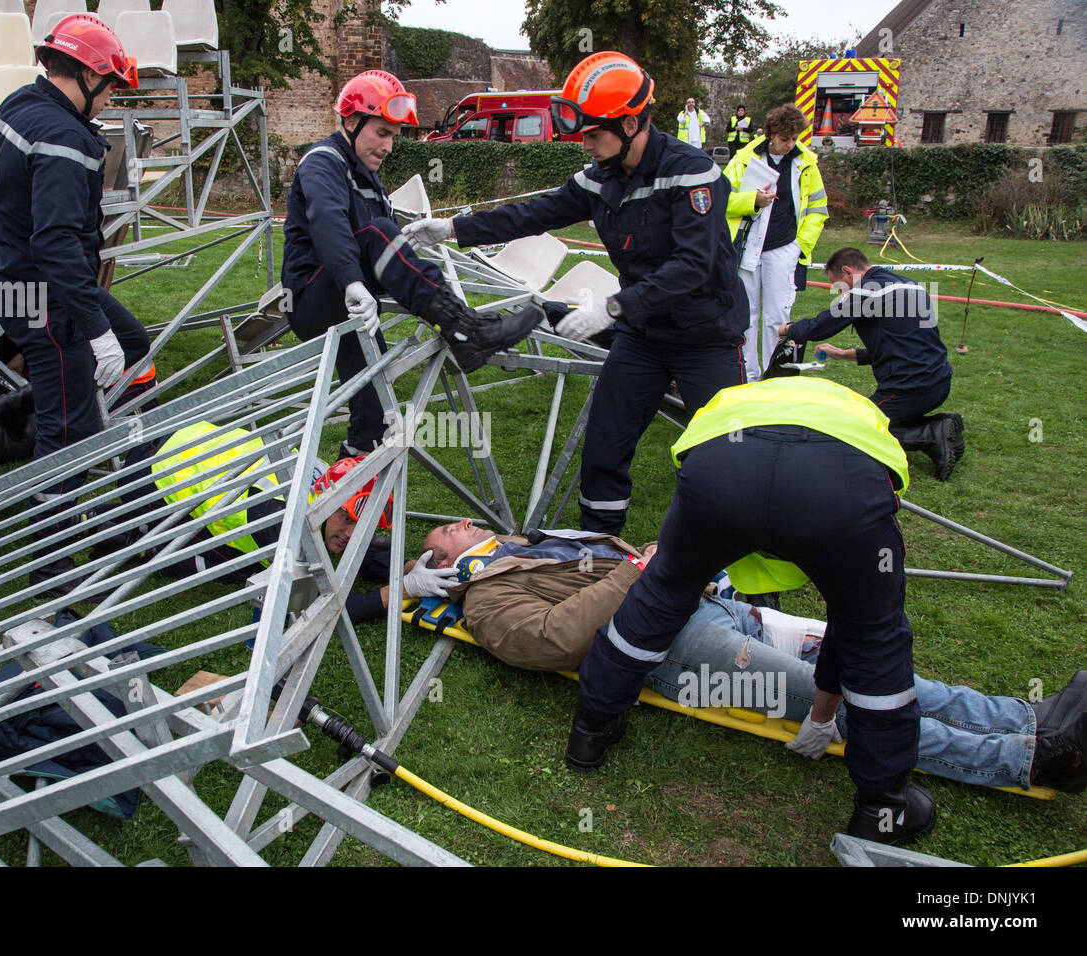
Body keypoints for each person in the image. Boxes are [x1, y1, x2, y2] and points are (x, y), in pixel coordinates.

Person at [420, 519, 1087, 800]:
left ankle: (1023, 718)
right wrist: (639, 572)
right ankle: (1028, 759)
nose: (461, 523)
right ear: (446, 560)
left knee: (877, 676)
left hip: (711, 607)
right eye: (446, 531)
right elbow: (551, 641)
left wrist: (656, 566)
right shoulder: (486, 597)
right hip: (677, 652)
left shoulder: (532, 544)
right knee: (851, 710)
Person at [569, 375, 940, 846]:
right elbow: (854, 628)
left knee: (662, 591)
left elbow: (694, 461)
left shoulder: (734, 400)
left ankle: (591, 729)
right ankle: (882, 806)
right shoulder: (861, 419)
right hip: (835, 485)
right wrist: (824, 713)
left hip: (723, 470)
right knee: (875, 635)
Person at [403, 52, 748, 536]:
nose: (585, 144)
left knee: (725, 452)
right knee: (605, 441)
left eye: (592, 134)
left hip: (705, 335)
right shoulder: (600, 176)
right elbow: (532, 214)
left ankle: (730, 563)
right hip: (644, 336)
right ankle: (596, 546)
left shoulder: (692, 173)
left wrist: (614, 307)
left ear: (630, 123)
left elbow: (694, 266)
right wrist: (454, 228)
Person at [0, 14, 159, 595]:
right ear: (84, 74)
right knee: (72, 427)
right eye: (108, 87)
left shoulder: (16, 106)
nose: (108, 101)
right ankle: (51, 566)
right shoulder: (65, 138)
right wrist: (89, 328)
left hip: (18, 284)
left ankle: (20, 404)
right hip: (49, 299)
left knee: (134, 344)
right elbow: (55, 243)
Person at [281, 69, 543, 460]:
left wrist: (402, 242)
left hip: (345, 299)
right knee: (379, 231)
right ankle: (466, 330)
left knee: (374, 398)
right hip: (312, 300)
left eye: (393, 137)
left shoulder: (368, 177)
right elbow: (330, 222)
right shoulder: (323, 161)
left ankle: (350, 480)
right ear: (352, 122)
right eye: (382, 133)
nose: (388, 146)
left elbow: (367, 239)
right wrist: (355, 281)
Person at [150, 426, 456, 623]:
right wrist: (405, 588)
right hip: (158, 472)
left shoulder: (328, 485)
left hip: (198, 438)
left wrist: (405, 567)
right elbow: (327, 608)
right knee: (234, 568)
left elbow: (357, 552)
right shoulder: (282, 521)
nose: (351, 534)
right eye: (346, 519)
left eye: (361, 524)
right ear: (325, 502)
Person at [779, 246, 963, 480]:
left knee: (849, 428)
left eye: (839, 286)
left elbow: (825, 324)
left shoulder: (870, 290)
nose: (840, 293)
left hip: (908, 389)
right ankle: (944, 423)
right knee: (879, 417)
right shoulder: (909, 285)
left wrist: (790, 329)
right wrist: (847, 354)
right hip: (938, 381)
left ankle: (930, 434)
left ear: (847, 272)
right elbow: (903, 343)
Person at [724, 103, 829, 382]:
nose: (790, 144)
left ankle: (774, 380)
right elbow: (721, 200)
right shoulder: (745, 159)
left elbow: (819, 210)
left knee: (777, 318)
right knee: (746, 316)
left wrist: (800, 247)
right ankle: (747, 376)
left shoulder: (807, 161)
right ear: (771, 134)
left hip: (784, 247)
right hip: (747, 249)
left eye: (795, 138)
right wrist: (752, 201)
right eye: (785, 138)